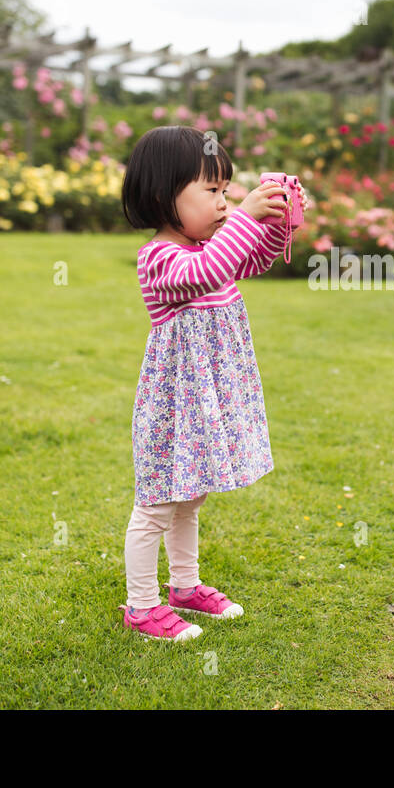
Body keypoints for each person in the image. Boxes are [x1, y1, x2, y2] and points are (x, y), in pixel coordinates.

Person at [118, 124, 305, 642]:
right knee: (156, 503)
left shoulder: (212, 248)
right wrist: (245, 216)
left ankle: (185, 586)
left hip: (206, 404)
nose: (224, 204)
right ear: (162, 196)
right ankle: (141, 606)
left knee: (191, 496)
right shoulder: (161, 257)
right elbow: (213, 265)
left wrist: (274, 219)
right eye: (211, 191)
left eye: (227, 192)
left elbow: (253, 258)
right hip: (174, 407)